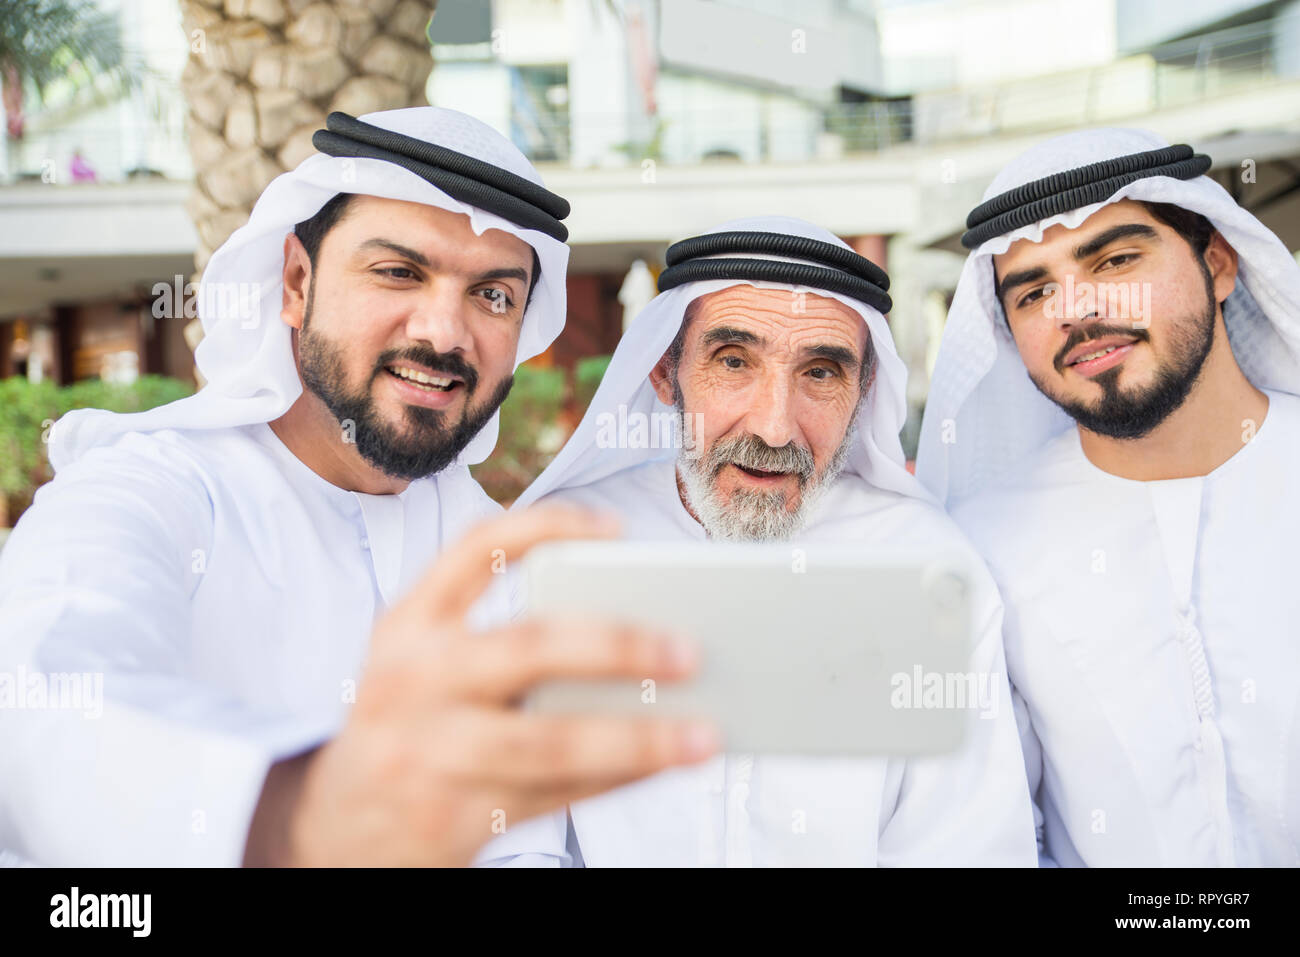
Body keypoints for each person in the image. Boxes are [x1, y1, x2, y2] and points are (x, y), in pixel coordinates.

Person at [0, 107, 715, 867]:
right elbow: (44, 696)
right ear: (297, 282)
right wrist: (304, 813)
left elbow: (522, 846)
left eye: (494, 295)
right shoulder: (153, 487)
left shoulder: (501, 559)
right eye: (399, 272)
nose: (444, 333)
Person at [511, 216, 1037, 866]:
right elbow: (512, 840)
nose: (775, 428)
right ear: (663, 374)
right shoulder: (561, 553)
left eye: (820, 373)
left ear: (863, 393)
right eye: (734, 361)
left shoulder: (927, 568)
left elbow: (969, 843)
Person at [915, 128, 1300, 866]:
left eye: (1117, 259)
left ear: (1218, 263)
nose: (1077, 310)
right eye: (1033, 293)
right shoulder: (981, 548)